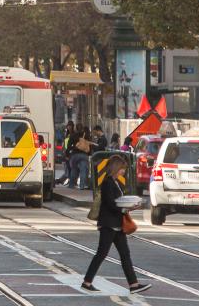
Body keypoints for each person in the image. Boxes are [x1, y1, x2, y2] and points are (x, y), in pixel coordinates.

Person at [82, 155, 152, 294]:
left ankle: (133, 284)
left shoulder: (116, 183)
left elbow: (119, 202)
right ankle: (87, 281)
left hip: (117, 224)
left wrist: (130, 206)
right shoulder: (108, 183)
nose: (123, 172)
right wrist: (124, 208)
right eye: (122, 169)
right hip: (108, 224)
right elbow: (110, 203)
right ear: (115, 168)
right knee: (101, 253)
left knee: (125, 254)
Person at [67, 125, 92, 190]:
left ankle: (71, 185)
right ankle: (82, 186)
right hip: (84, 155)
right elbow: (90, 147)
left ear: (76, 128)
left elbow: (69, 146)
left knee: (74, 169)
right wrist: (89, 153)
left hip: (74, 155)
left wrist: (67, 154)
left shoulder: (72, 135)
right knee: (83, 170)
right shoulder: (87, 136)